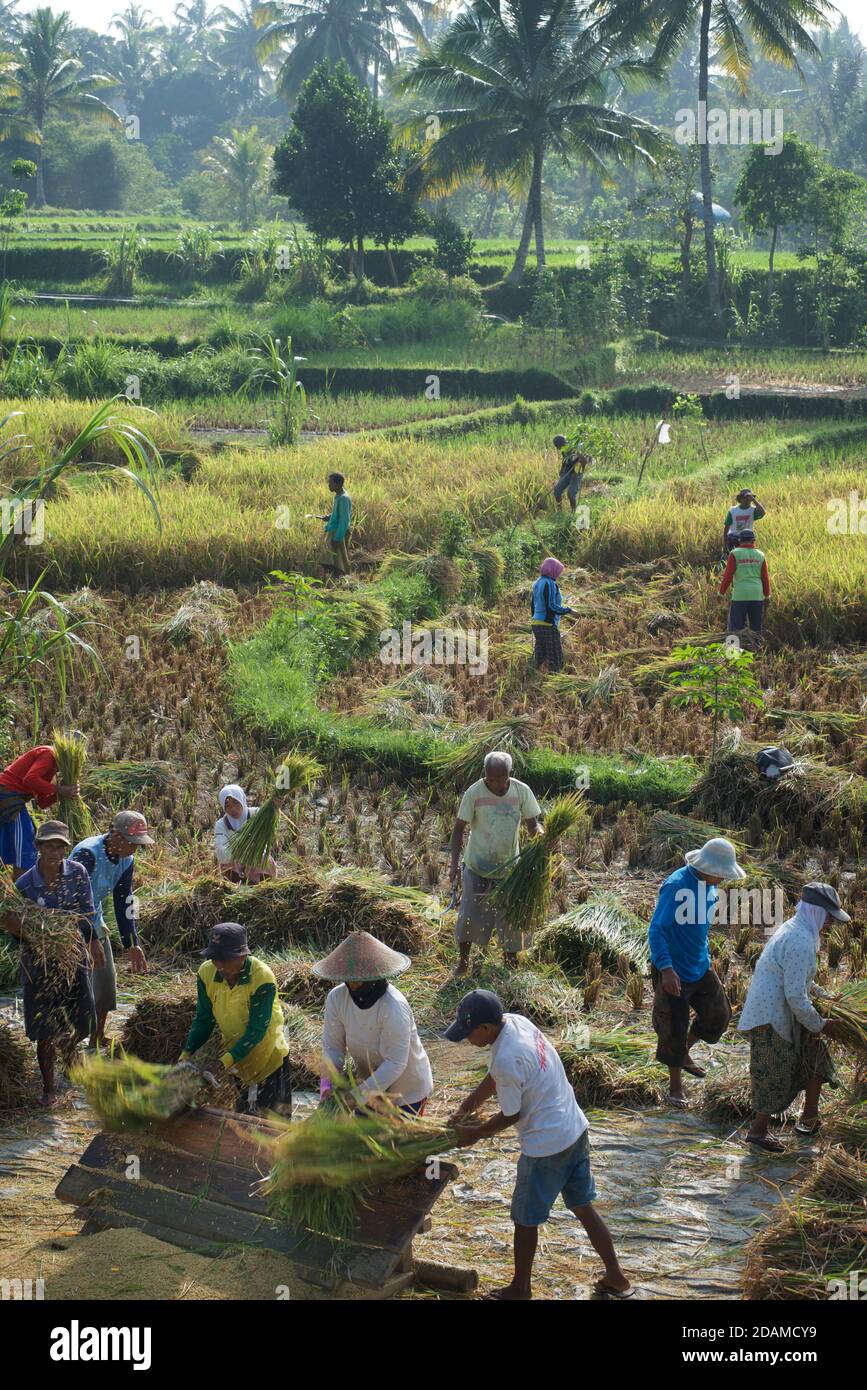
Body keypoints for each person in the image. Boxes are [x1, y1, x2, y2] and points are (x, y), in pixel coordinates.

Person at [444, 989, 632, 1301]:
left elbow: (511, 1114)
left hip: (546, 1147)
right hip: (573, 1130)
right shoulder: (516, 1024)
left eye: (469, 1034)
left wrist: (474, 1134)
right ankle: (616, 1277)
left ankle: (520, 1289)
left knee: (525, 1218)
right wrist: (466, 1107)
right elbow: (495, 1079)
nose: (468, 1041)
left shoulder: (507, 1057)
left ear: (486, 1029)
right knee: (583, 1207)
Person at [738, 883, 848, 1153]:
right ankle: (758, 1131)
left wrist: (826, 998)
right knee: (773, 1072)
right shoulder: (799, 940)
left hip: (782, 1010)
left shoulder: (799, 930)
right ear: (816, 912)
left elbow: (803, 981)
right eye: (829, 918)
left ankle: (809, 1118)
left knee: (815, 1056)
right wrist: (820, 1024)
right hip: (770, 1015)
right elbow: (795, 995)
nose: (830, 924)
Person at [2, 820, 98, 1107]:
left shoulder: (77, 873)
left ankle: (69, 1046)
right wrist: (20, 927)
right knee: (44, 1027)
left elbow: (87, 913)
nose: (55, 851)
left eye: (60, 846)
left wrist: (91, 943)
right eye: (48, 845)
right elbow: (14, 931)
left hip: (72, 957)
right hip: (39, 962)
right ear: (38, 847)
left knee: (85, 1020)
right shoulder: (23, 885)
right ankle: (48, 1088)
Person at [648, 837, 745, 1107]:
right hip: (673, 968)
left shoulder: (710, 886)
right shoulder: (677, 886)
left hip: (699, 964)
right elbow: (656, 930)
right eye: (720, 874)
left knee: (720, 1015)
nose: (723, 880)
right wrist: (666, 970)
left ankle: (685, 1051)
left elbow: (699, 927)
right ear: (706, 867)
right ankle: (675, 1087)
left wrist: (706, 955)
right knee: (673, 1026)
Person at [179, 922, 291, 1115]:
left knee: (273, 1129)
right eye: (214, 958)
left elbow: (256, 1031)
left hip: (270, 1059)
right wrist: (186, 1055)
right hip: (238, 1059)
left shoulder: (261, 977)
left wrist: (221, 1063)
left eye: (224, 959)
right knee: (243, 1124)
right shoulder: (206, 973)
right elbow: (204, 1020)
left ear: (242, 956)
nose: (219, 965)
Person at [315, 930, 432, 1113]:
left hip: (405, 1091)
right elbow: (333, 1047)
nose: (353, 986)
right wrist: (329, 1083)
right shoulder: (337, 998)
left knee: (394, 1141)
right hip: (367, 1083)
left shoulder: (393, 1006)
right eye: (349, 980)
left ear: (374, 977)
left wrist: (356, 1096)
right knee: (363, 1140)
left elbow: (395, 1063)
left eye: (359, 981)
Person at [449, 751, 543, 978]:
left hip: (509, 869)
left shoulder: (522, 791)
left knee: (510, 921)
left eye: (501, 780)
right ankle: (463, 963)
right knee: (470, 918)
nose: (497, 785)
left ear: (509, 775)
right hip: (476, 866)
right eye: (492, 780)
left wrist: (540, 835)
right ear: (485, 776)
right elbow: (458, 829)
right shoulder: (474, 793)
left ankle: (510, 965)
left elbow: (533, 823)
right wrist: (453, 865)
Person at [69, 811, 151, 1050]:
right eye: (131, 843)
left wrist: (132, 942)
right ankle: (68, 1043)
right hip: (71, 923)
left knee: (106, 981)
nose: (134, 849)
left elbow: (125, 900)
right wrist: (90, 939)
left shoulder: (127, 859)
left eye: (138, 844)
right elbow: (74, 902)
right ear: (114, 834)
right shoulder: (88, 854)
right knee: (78, 986)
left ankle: (97, 1037)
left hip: (95, 921)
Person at [0, 745, 80, 876]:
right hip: (8, 796)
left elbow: (42, 803)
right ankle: (22, 890)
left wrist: (61, 794)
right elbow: (30, 779)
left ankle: (13, 887)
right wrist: (59, 789)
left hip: (12, 798)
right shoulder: (50, 754)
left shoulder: (52, 769)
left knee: (16, 842)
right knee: (25, 843)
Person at [214, 784, 277, 884]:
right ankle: (236, 887)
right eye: (228, 805)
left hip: (257, 859)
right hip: (235, 863)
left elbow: (272, 819)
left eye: (236, 802)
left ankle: (263, 888)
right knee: (227, 866)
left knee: (262, 861)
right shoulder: (221, 825)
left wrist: (276, 806)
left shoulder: (257, 814)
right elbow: (221, 852)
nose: (233, 809)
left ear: (242, 799)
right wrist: (239, 853)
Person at [718, 529, 770, 635]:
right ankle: (756, 649)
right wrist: (767, 595)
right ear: (753, 541)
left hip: (740, 595)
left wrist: (721, 592)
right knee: (756, 629)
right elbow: (765, 577)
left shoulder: (735, 553)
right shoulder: (760, 555)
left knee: (736, 629)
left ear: (739, 541)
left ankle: (735, 650)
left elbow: (727, 576)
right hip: (757, 595)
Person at [530, 557, 574, 673]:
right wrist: (569, 611)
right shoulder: (549, 583)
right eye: (557, 571)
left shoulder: (537, 582)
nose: (558, 575)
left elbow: (533, 605)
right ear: (552, 570)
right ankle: (554, 682)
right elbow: (551, 606)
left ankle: (535, 677)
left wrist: (535, 619)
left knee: (541, 653)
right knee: (555, 656)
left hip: (536, 624)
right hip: (547, 624)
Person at [320, 471, 352, 576]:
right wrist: (329, 517)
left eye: (331, 483)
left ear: (338, 484)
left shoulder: (343, 498)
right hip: (335, 530)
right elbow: (338, 514)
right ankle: (339, 578)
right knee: (336, 558)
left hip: (339, 532)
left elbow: (344, 520)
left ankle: (344, 579)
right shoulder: (339, 496)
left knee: (340, 559)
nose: (329, 485)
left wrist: (337, 538)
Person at [552, 435, 591, 513]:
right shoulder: (564, 449)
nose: (557, 448)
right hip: (567, 472)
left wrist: (576, 473)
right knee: (557, 490)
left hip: (577, 473)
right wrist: (562, 469)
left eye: (558, 446)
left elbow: (585, 461)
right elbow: (565, 459)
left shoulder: (575, 448)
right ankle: (559, 511)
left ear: (562, 443)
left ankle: (573, 512)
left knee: (570, 494)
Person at [723, 488, 766, 554]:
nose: (747, 500)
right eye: (744, 498)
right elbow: (726, 527)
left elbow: (763, 512)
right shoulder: (733, 510)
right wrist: (725, 543)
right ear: (740, 499)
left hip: (747, 538)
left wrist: (754, 500)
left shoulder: (753, 510)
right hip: (734, 538)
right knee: (731, 558)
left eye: (749, 498)